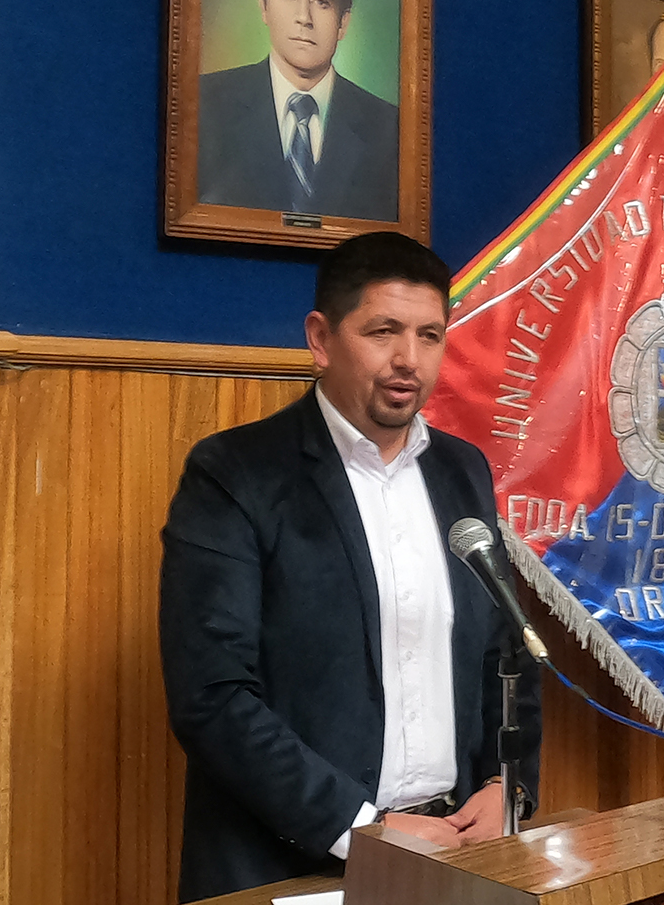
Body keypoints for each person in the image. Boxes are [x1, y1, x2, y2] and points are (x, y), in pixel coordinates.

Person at [158, 231, 539, 900]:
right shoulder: (236, 474)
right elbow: (211, 697)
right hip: (293, 863)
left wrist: (507, 783)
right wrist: (361, 828)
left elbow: (506, 651)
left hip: (456, 850)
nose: (407, 360)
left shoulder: (461, 470)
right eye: (383, 331)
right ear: (321, 337)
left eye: (429, 335)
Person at [196, 0, 400, 222]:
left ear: (343, 22)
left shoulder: (389, 127)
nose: (303, 17)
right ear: (263, 4)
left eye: (321, 2)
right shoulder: (203, 103)